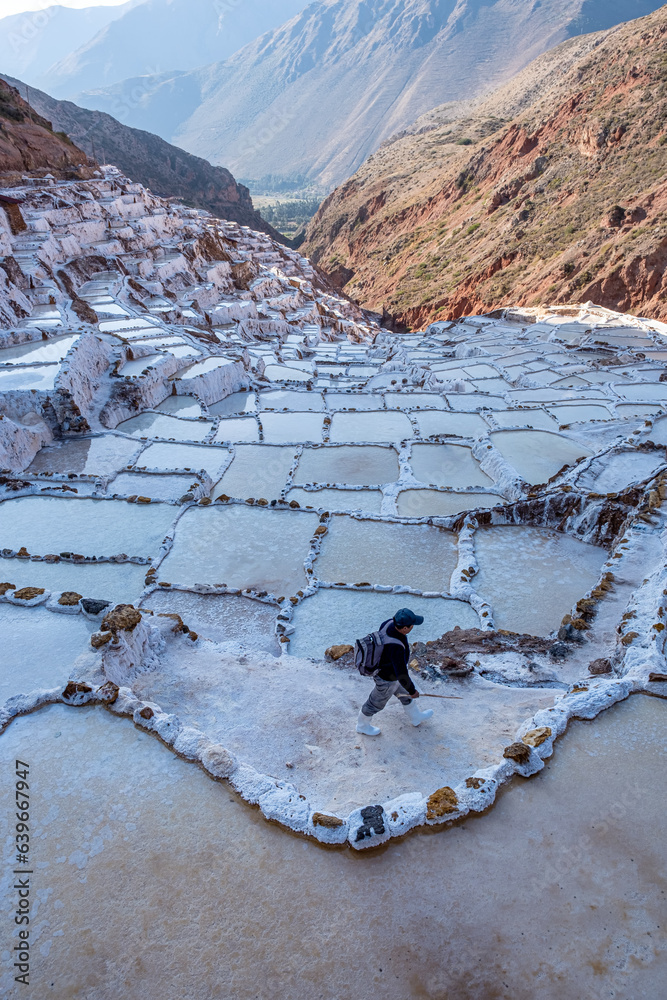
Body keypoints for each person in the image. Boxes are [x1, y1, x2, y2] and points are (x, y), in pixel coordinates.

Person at [356, 608, 433, 736]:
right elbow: (402, 674)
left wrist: (409, 690)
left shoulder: (388, 623)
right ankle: (362, 726)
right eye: (412, 625)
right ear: (404, 628)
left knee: (405, 694)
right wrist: (413, 691)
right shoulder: (395, 647)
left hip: (393, 675)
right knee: (375, 703)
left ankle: (415, 717)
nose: (413, 627)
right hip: (387, 679)